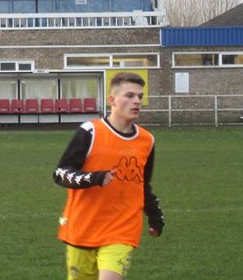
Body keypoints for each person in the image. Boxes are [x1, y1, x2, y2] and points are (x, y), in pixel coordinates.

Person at [53, 71, 164, 280]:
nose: (136, 101)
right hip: (83, 226)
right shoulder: (90, 132)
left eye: (140, 96)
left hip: (122, 228)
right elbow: (60, 173)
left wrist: (155, 215)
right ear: (112, 100)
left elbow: (142, 184)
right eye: (129, 96)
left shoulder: (147, 140)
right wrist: (94, 178)